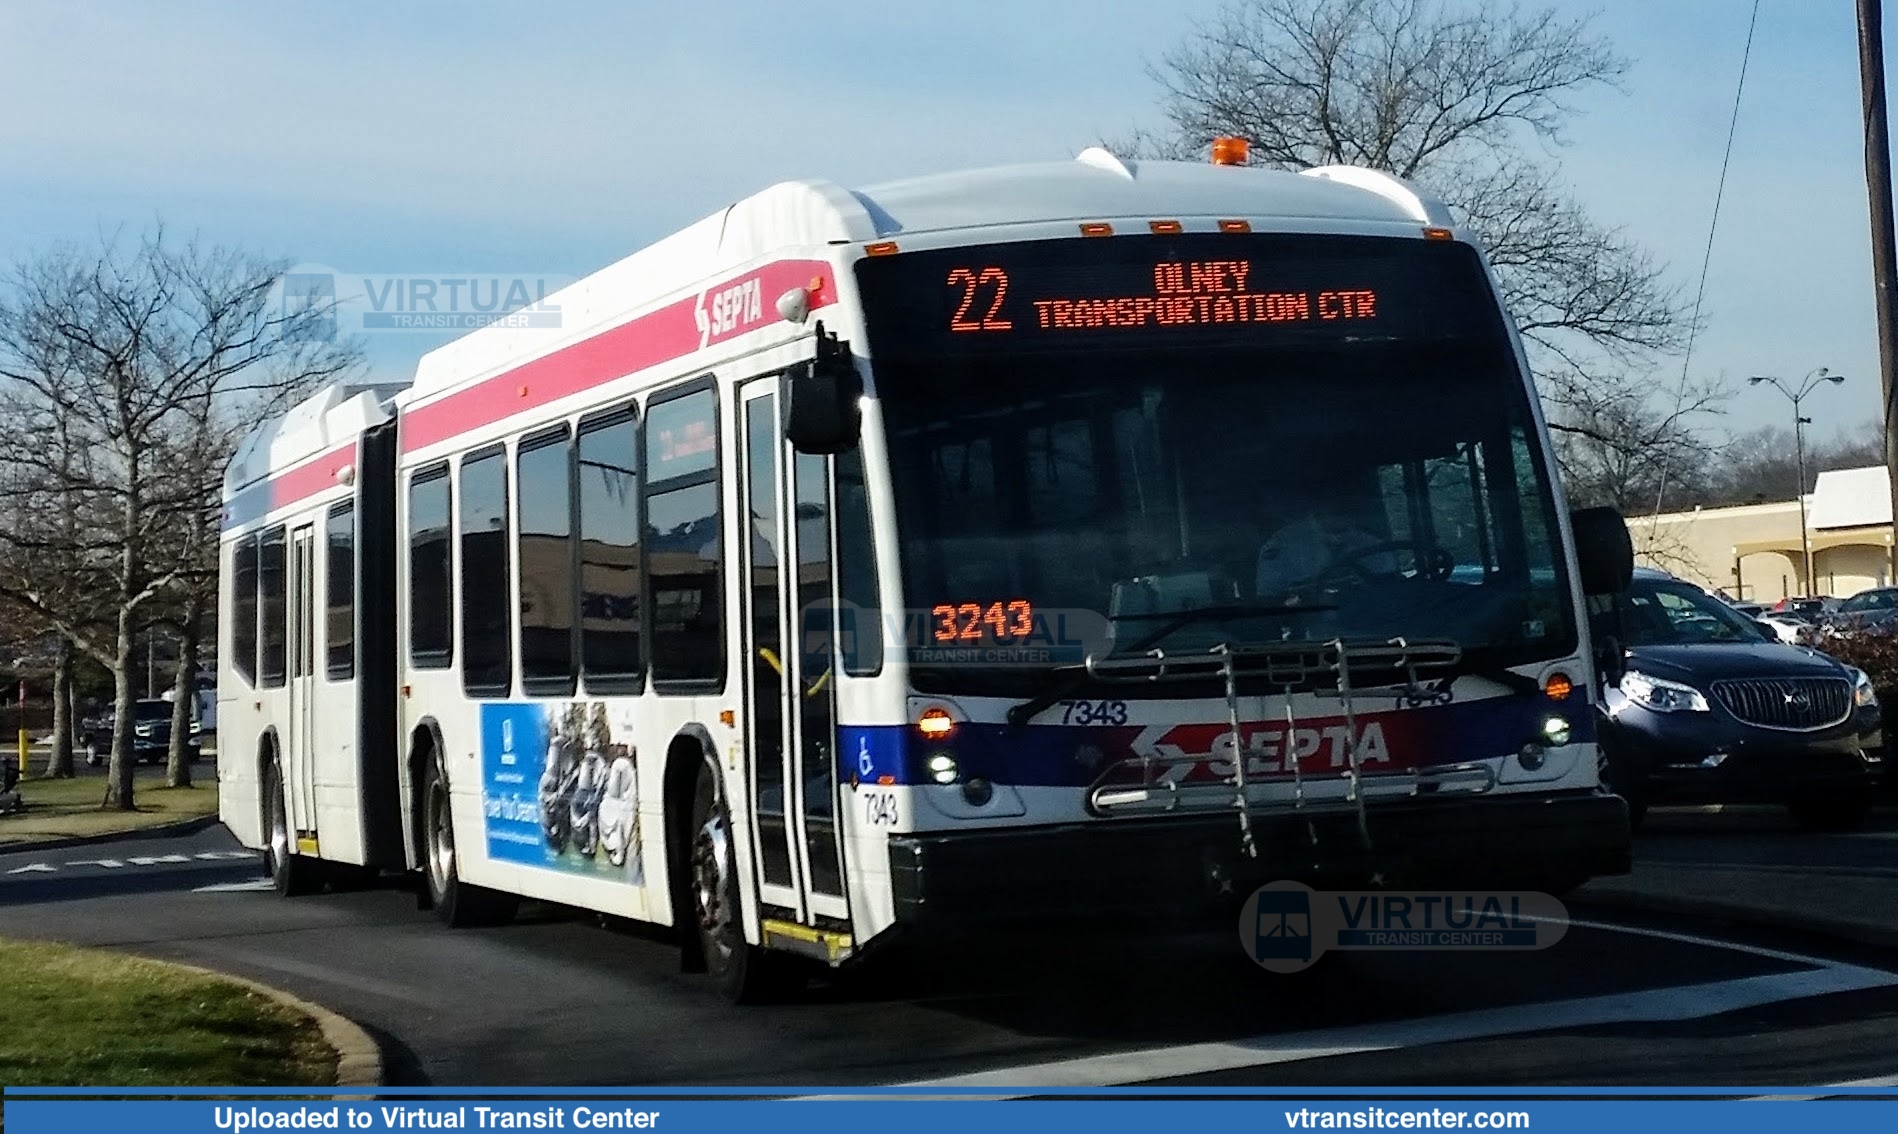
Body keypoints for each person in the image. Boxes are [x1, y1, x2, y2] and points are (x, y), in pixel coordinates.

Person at [1255, 491, 1399, 598]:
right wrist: (1307, 592)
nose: (1340, 504)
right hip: (1311, 632)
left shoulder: (1371, 543)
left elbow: (1392, 586)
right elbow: (1269, 598)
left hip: (1383, 628)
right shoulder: (1282, 545)